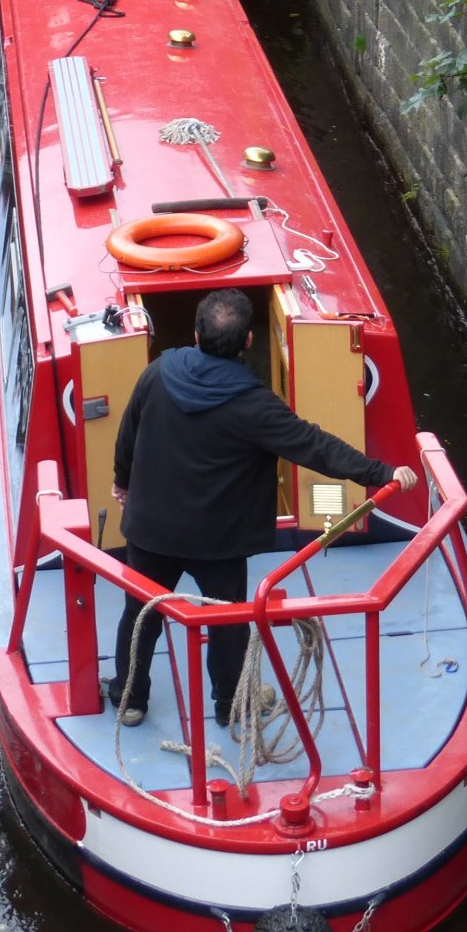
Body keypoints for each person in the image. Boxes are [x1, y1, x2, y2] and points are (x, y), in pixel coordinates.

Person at [108, 290, 418, 728]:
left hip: (150, 529)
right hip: (216, 542)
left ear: (195, 334)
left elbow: (128, 432)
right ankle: (229, 704)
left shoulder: (158, 372)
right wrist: (382, 472)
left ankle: (129, 700)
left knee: (140, 615)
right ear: (249, 341)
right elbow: (315, 446)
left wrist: (122, 480)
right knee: (227, 622)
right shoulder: (255, 406)